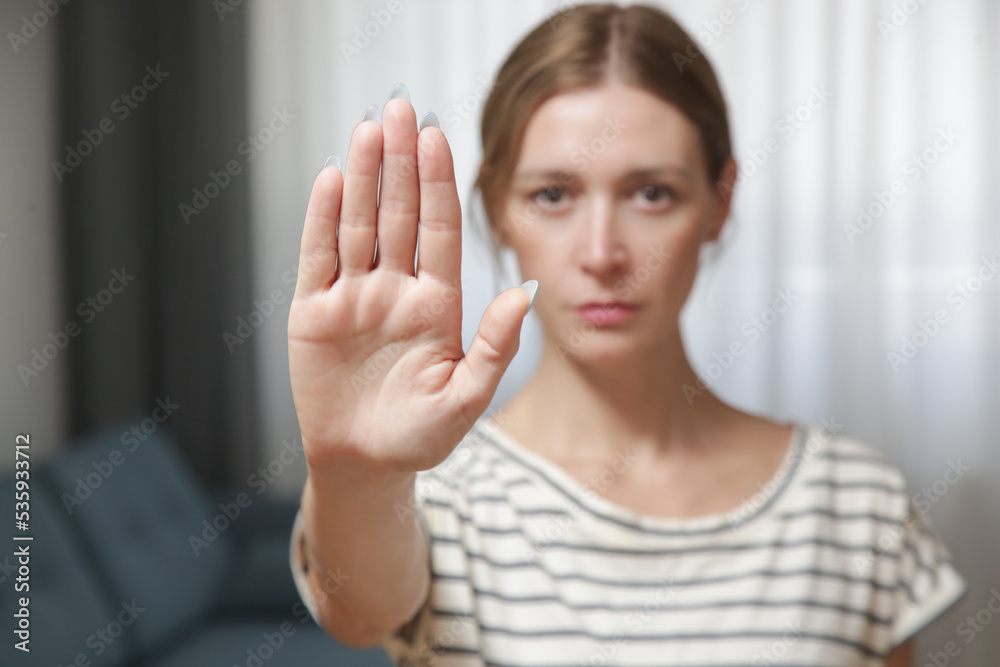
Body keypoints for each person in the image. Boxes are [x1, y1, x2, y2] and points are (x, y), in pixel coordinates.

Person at [286, 4, 965, 665]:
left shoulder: (860, 504)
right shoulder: (432, 497)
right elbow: (359, 612)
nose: (604, 252)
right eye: (553, 194)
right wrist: (355, 473)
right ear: (494, 208)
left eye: (651, 193)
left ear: (719, 201)